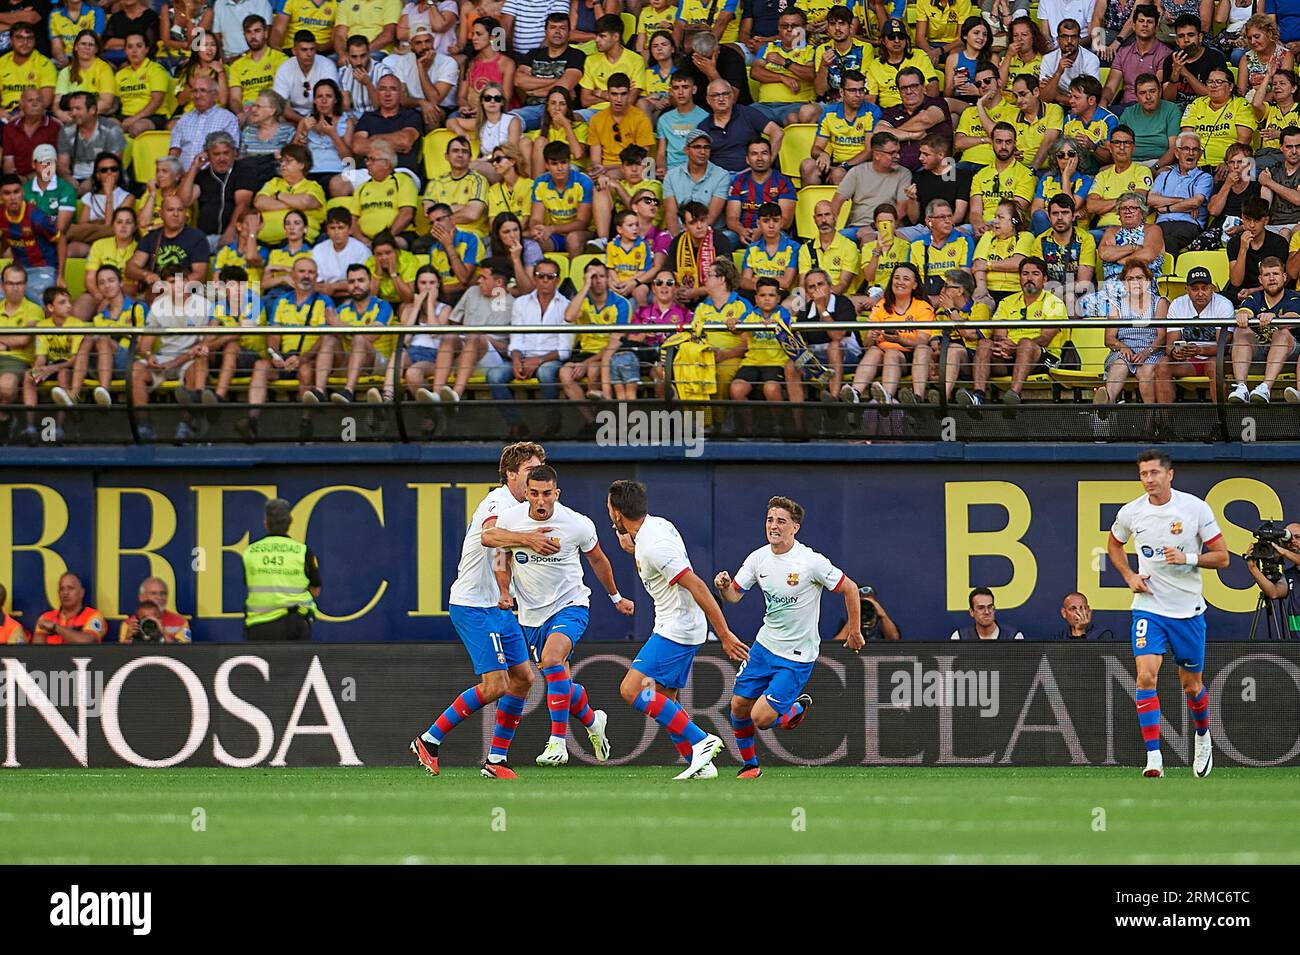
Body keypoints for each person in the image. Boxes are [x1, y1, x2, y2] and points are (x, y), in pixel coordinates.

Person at [410, 443, 550, 778]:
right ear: (510, 475)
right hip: (472, 605)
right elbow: (489, 536)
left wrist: (506, 591)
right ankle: (429, 740)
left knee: (523, 678)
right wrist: (529, 540)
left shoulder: (522, 508)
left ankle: (496, 760)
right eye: (530, 471)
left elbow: (502, 552)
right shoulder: (497, 501)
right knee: (495, 685)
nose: (537, 477)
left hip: (498, 606)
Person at [484, 464, 625, 766]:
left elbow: (598, 560)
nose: (541, 500)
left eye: (547, 494)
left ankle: (557, 742)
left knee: (551, 660)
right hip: (531, 615)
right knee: (558, 678)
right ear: (526, 494)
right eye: (534, 493)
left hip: (571, 604)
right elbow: (497, 550)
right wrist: (504, 591)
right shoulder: (511, 520)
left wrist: (616, 597)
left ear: (556, 493)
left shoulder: (576, 524)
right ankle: (592, 720)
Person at [714, 495, 862, 779]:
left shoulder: (810, 561)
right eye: (770, 520)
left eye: (781, 521)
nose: (774, 525)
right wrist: (722, 586)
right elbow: (733, 596)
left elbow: (851, 588)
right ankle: (750, 766)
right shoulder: (758, 558)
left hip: (796, 656)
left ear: (795, 527)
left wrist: (854, 630)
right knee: (738, 706)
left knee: (761, 718)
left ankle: (795, 707)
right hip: (765, 646)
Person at [605, 478, 740, 780]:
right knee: (666, 700)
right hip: (677, 623)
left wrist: (725, 634)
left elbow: (698, 586)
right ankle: (700, 764)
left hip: (676, 628)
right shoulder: (653, 530)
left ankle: (700, 740)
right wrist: (631, 546)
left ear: (617, 513)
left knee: (630, 689)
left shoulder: (654, 545)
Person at [1107, 449, 1229, 777]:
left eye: (1154, 473)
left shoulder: (1194, 508)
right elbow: (1114, 545)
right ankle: (1154, 757)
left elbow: (1222, 557)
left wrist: (1188, 558)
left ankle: (1202, 735)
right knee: (1146, 675)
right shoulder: (1132, 512)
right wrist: (1130, 577)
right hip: (1149, 607)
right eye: (1143, 474)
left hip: (1188, 611)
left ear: (1169, 475)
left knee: (1191, 686)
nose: (1148, 480)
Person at [964, 256, 1066, 404]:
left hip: (1043, 359)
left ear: (1045, 279)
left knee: (1026, 344)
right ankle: (977, 396)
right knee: (985, 344)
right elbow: (999, 334)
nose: (1029, 278)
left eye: (1035, 274)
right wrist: (1002, 345)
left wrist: (1016, 347)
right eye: (1025, 274)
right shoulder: (1007, 302)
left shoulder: (1055, 303)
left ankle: (1013, 396)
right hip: (1010, 356)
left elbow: (1045, 338)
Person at [131, 264, 212, 442]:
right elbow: (145, 344)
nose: (178, 286)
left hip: (191, 358)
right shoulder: (158, 305)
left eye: (181, 281)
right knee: (136, 369)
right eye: (172, 282)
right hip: (165, 356)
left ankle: (186, 425)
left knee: (196, 368)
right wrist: (149, 356)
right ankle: (144, 426)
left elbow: (205, 342)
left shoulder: (204, 304)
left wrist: (180, 360)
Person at [840, 262, 935, 405]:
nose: (900, 282)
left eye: (906, 279)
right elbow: (866, 345)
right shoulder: (881, 305)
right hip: (882, 355)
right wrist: (871, 336)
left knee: (892, 352)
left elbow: (922, 340)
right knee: (873, 350)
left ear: (915, 285)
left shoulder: (923, 307)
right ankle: (855, 393)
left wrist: (899, 339)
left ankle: (889, 396)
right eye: (896, 278)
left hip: (910, 356)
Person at [241, 497, 321, 642]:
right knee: (296, 665)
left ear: (266, 523)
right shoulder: (303, 551)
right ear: (290, 521)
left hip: (258, 627)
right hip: (294, 626)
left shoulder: (250, 552)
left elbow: (249, 584)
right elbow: (315, 590)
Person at [1092, 261, 1169, 404]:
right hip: (1125, 351)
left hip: (1152, 351)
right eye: (1130, 279)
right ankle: (1106, 402)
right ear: (1124, 283)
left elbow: (1162, 337)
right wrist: (1122, 347)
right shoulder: (1117, 304)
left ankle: (1149, 420)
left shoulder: (1160, 302)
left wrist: (1146, 352)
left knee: (1146, 373)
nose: (1135, 282)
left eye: (1139, 278)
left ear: (1148, 281)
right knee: (1120, 364)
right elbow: (1108, 339)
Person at [1229, 255, 1299, 403]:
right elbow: (1245, 311)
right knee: (1241, 331)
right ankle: (1241, 388)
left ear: (1284, 277)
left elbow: (1292, 317)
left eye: (1276, 274)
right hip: (1260, 352)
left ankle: (1265, 388)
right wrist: (1242, 315)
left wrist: (1274, 318)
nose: (1272, 278)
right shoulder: (1255, 298)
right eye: (1267, 275)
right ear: (1261, 280)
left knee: (1282, 332)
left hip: (1291, 356)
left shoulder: (1294, 297)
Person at [560, 259, 630, 405]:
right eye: (593, 277)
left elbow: (615, 342)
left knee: (593, 370)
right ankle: (591, 421)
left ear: (608, 279)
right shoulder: (582, 300)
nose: (597, 280)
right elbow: (569, 317)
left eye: (601, 276)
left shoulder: (621, 303)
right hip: (585, 352)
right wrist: (585, 286)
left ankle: (603, 419)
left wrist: (587, 363)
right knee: (564, 374)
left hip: (610, 353)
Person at [1157, 265, 1232, 402]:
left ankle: (1222, 419)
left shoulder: (1223, 304)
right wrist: (1175, 352)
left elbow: (1223, 347)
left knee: (1213, 365)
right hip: (1189, 361)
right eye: (1194, 289)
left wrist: (1200, 349)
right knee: (1163, 365)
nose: (1200, 293)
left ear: (1212, 288)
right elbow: (1169, 346)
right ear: (1187, 290)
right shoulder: (1177, 304)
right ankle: (1164, 419)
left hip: (1218, 359)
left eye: (1204, 288)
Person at [830, 131, 912, 241]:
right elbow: (837, 201)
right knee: (833, 241)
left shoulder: (904, 174)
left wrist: (873, 227)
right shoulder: (857, 171)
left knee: (868, 240)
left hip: (885, 228)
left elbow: (901, 209)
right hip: (855, 228)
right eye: (892, 153)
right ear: (877, 155)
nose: (897, 156)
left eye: (898, 152)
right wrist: (831, 228)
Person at [511, 12, 585, 132]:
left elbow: (565, 86)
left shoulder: (576, 55)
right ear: (546, 31)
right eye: (552, 27)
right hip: (532, 109)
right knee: (508, 121)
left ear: (569, 33)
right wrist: (557, 81)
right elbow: (519, 80)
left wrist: (534, 92)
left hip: (561, 109)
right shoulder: (533, 54)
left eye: (562, 28)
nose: (557, 32)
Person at [0, 172, 65, 308]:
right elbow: (8, 236)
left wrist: (60, 276)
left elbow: (61, 240)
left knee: (42, 302)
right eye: (7, 193)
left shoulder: (37, 218)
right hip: (18, 269)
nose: (13, 198)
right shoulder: (1, 216)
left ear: (23, 192)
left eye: (16, 192)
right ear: (1, 197)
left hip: (43, 269)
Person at [748, 7, 821, 126]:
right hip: (764, 106)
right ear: (778, 28)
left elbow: (810, 74)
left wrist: (785, 62)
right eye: (784, 26)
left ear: (803, 28)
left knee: (793, 119)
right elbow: (755, 72)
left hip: (795, 105)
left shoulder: (812, 50)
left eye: (794, 26)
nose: (789, 29)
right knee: (742, 117)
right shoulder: (767, 48)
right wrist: (783, 78)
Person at [698, 79, 784, 173]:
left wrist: (766, 162)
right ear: (708, 100)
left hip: (753, 175)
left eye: (725, 94)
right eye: (715, 95)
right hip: (720, 178)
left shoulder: (747, 113)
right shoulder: (703, 127)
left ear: (732, 96)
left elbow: (777, 132)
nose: (721, 98)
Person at [1181, 66, 1257, 169]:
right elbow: (1186, 137)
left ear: (1230, 86)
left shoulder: (1241, 105)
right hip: (1197, 165)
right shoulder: (1197, 104)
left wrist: (1228, 163)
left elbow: (1243, 141)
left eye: (1219, 82)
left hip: (1232, 165)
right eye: (1210, 82)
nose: (1213, 85)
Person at [968, 122, 1035, 236]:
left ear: (1015, 144)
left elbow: (1014, 211)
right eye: (999, 141)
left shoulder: (1026, 174)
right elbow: (975, 211)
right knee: (958, 234)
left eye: (1008, 142)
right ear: (992, 143)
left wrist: (991, 227)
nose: (1003, 147)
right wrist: (979, 224)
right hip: (983, 225)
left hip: (1010, 226)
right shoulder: (980, 175)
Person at [528, 140, 593, 255]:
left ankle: (573, 273)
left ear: (569, 163)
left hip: (582, 233)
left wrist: (552, 229)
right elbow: (535, 218)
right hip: (556, 235)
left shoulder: (583, 182)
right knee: (534, 242)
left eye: (563, 162)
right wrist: (536, 229)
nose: (560, 168)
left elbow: (582, 223)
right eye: (554, 164)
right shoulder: (540, 183)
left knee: (573, 239)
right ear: (546, 165)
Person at [1102, 4, 1172, 110]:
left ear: (1157, 27)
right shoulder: (1123, 52)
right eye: (1141, 21)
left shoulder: (1165, 54)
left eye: (1149, 22)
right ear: (1134, 26)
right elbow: (1110, 87)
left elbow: (1154, 90)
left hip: (1149, 108)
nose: (1145, 25)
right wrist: (1103, 103)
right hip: (1124, 107)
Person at [1086, 126, 1155, 230]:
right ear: (1110, 147)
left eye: (1127, 143)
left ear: (1133, 148)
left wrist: (1104, 204)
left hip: (1133, 230)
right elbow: (1091, 206)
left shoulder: (1142, 171)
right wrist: (1124, 201)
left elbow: (1136, 202)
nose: (1122, 147)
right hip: (1102, 229)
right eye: (1117, 142)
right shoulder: (1102, 175)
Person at [168, 76, 241, 171]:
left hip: (213, 177)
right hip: (184, 177)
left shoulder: (228, 119)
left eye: (203, 91)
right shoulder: (184, 119)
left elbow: (231, 153)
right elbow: (174, 151)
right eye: (195, 91)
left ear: (215, 95)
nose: (198, 95)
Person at [56, 94, 126, 194]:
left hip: (106, 177)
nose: (73, 113)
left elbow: (112, 165)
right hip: (76, 180)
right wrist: (68, 179)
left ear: (92, 110)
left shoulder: (112, 129)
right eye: (71, 109)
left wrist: (92, 182)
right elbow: (63, 166)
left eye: (78, 109)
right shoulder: (66, 131)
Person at [1245, 521, 1300, 639]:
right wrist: (1253, 568)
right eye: (1288, 539)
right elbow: (1273, 593)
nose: (1293, 541)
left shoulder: (1284, 552)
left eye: (1298, 537)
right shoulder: (1290, 574)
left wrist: (1282, 551)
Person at [973, 200, 1034, 305]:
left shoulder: (1025, 237)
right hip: (988, 291)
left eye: (1000, 217)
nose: (995, 221)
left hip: (1015, 292)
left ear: (1014, 221)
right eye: (995, 217)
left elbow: (1018, 263)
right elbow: (978, 265)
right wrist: (981, 287)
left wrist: (988, 265)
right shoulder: (988, 236)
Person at [229, 14, 288, 121]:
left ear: (265, 33)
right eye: (248, 32)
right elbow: (235, 99)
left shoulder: (281, 59)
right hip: (248, 114)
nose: (253, 36)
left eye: (257, 31)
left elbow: (283, 96)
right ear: (244, 35)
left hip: (272, 111)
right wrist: (240, 114)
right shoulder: (236, 66)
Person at [1162, 14, 1227, 108]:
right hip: (1177, 110)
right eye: (1181, 36)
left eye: (1191, 35)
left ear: (1200, 37)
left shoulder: (1215, 58)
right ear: (1176, 40)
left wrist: (1185, 73)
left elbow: (1214, 96)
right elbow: (1168, 100)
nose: (1186, 40)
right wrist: (1175, 73)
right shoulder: (1170, 60)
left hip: (1207, 109)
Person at [1121, 73, 1182, 167]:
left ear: (1160, 92)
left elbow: (1174, 148)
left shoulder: (1171, 110)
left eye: (1152, 91)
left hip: (1161, 164)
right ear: (1136, 96)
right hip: (1132, 164)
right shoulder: (1128, 113)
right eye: (1142, 93)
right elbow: (1120, 146)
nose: (1148, 97)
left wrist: (1155, 168)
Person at [739, 202, 798, 295]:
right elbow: (745, 282)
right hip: (757, 294)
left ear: (781, 222)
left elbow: (786, 283)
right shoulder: (752, 248)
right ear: (758, 223)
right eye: (766, 221)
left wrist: (758, 280)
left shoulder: (793, 247)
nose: (771, 226)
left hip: (782, 295)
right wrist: (763, 288)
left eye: (775, 220)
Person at [1064, 75, 1119, 173]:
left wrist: (1092, 146)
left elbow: (1112, 158)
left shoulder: (1109, 120)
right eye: (1071, 96)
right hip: (1072, 172)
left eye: (1076, 97)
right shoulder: (1068, 120)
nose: (1071, 101)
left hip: (1100, 174)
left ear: (1091, 100)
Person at [1040, 17, 1099, 108]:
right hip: (1055, 106)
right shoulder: (1048, 59)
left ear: (1079, 39)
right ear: (1058, 39)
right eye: (1064, 37)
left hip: (1082, 110)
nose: (1069, 41)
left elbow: (1090, 101)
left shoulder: (1091, 59)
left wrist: (1056, 96)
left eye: (1073, 37)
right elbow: (1044, 98)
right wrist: (1058, 72)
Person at [31, 572, 106, 644]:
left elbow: (87, 641)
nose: (65, 593)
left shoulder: (92, 615)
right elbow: (37, 650)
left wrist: (55, 628)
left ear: (82, 593)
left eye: (70, 588)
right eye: (62, 589)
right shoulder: (46, 617)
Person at [2, 89, 59, 179]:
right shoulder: (10, 128)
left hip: (45, 179)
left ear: (44, 105)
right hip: (17, 181)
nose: (35, 104)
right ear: (21, 104)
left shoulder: (55, 128)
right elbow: (8, 161)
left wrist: (30, 179)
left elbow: (55, 162)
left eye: (38, 100)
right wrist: (16, 180)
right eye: (30, 100)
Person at [119, 576, 193, 643]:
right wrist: (127, 638)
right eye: (153, 593)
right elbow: (122, 655)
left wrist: (163, 632)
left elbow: (183, 653)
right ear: (142, 597)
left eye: (163, 593)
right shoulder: (129, 624)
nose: (159, 597)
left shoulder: (181, 622)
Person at [950, 587, 1024, 640]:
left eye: (990, 607)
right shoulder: (959, 637)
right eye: (981, 608)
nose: (987, 612)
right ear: (971, 612)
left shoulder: (1014, 637)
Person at [240, 90, 296, 158]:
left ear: (272, 111)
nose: (253, 110)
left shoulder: (288, 131)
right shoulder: (248, 131)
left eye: (258, 106)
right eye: (253, 106)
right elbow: (241, 160)